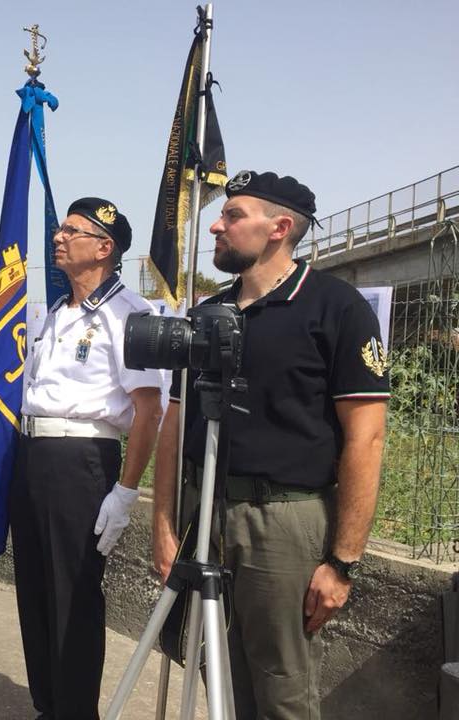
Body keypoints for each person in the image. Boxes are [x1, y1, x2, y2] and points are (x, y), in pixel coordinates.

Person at [151, 171, 389, 719]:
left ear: (279, 227)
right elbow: (175, 423)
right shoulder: (208, 315)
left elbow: (366, 437)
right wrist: (164, 524)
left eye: (233, 215)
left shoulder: (336, 307)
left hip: (283, 518)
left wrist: (343, 561)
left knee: (281, 683)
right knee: (217, 673)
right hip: (206, 511)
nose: (215, 223)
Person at [11, 198, 164, 720]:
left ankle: (76, 712)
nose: (57, 237)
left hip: (80, 461)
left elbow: (149, 412)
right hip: (33, 453)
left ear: (104, 247)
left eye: (71, 231)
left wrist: (125, 491)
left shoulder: (131, 316)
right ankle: (46, 705)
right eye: (59, 229)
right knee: (33, 588)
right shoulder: (57, 311)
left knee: (72, 594)